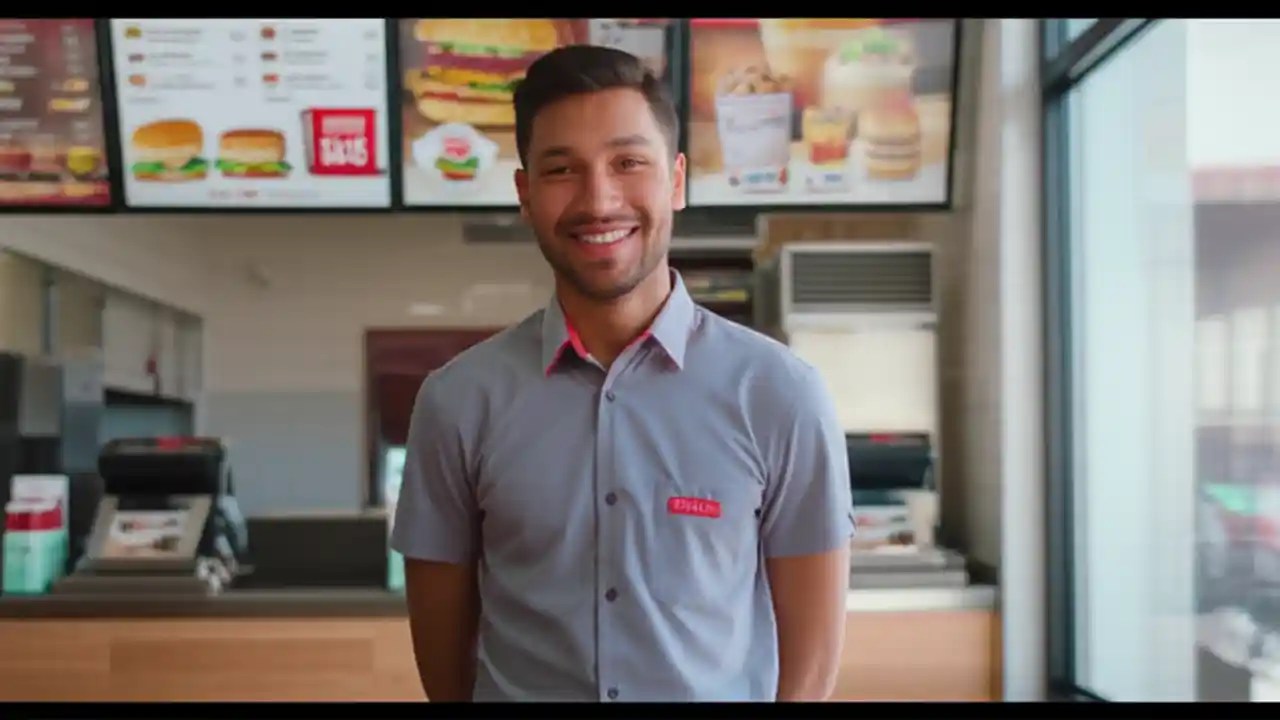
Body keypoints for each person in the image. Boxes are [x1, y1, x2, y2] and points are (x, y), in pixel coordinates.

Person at [391, 44, 855, 703]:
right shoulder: (458, 401)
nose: (598, 199)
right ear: (524, 193)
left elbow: (808, 674)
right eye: (561, 169)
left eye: (628, 162)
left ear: (677, 180)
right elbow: (445, 671)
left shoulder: (781, 396)